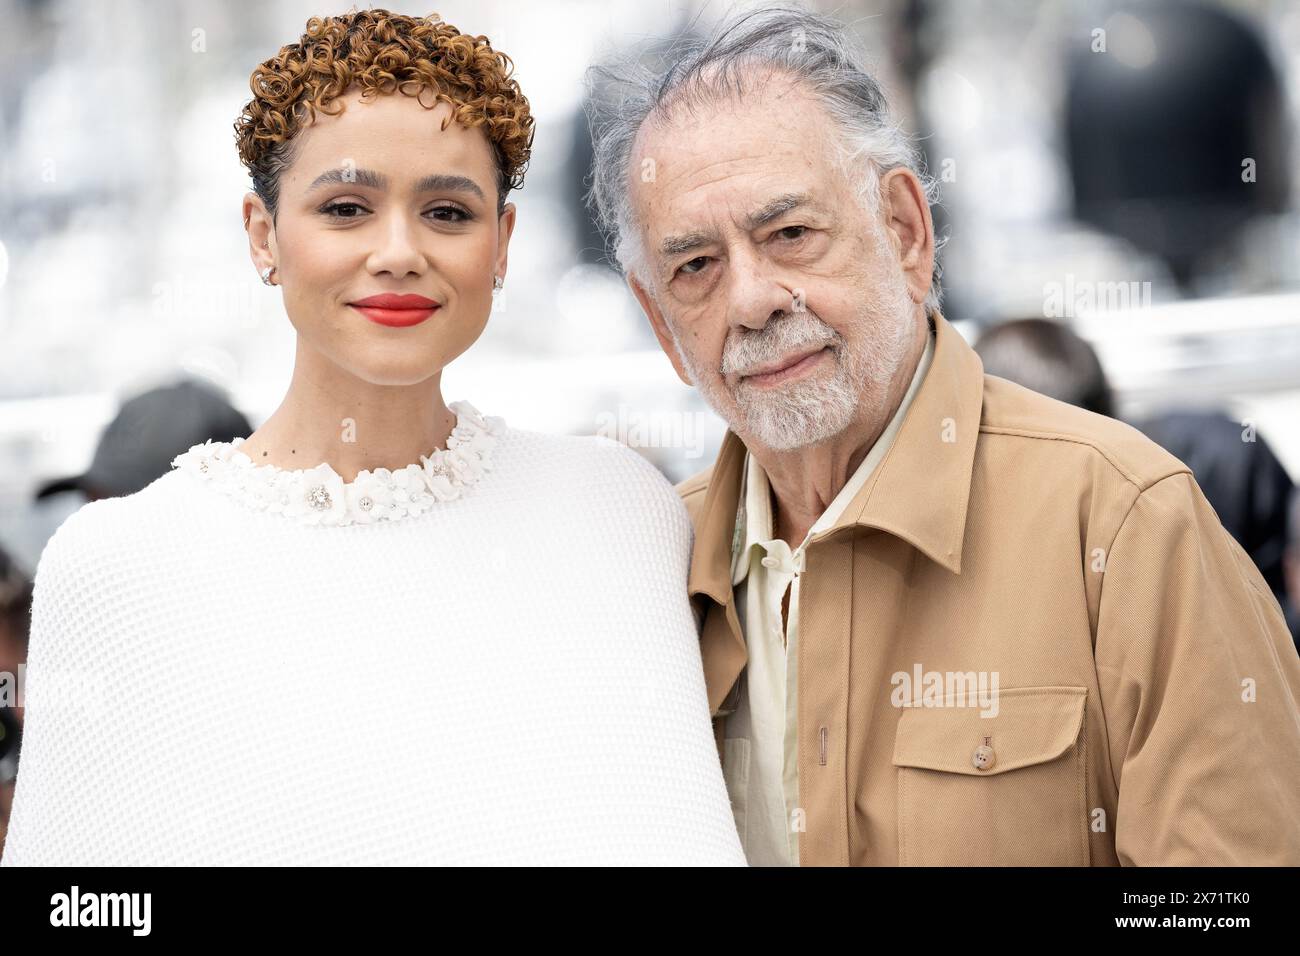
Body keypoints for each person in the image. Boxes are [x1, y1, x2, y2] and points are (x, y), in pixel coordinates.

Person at [1, 9, 743, 866]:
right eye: (347, 208)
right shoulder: (115, 566)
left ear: (501, 245)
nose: (398, 252)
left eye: (447, 212)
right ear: (261, 234)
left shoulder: (624, 509)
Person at [584, 5, 1300, 865]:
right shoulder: (647, 571)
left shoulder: (1123, 523)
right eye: (695, 266)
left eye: (791, 234)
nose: (751, 301)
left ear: (905, 231)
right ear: (663, 327)